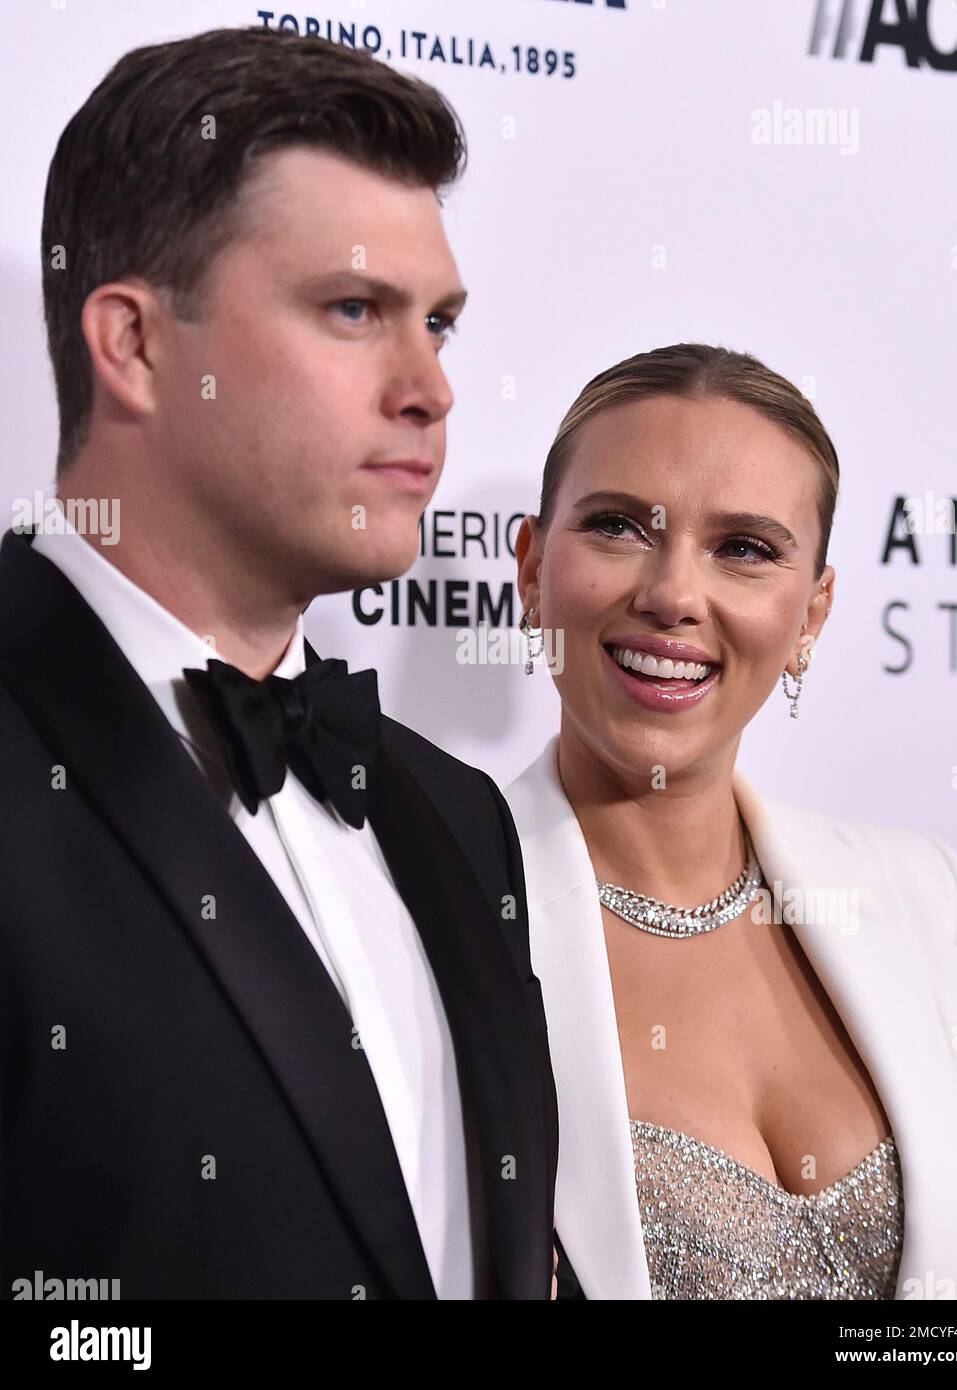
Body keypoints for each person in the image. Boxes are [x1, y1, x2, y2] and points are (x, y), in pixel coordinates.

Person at [0, 26, 558, 1300]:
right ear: (134, 345)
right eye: (354, 311)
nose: (430, 389)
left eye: (443, 325)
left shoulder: (459, 815)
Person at [504, 343, 957, 1300]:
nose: (672, 596)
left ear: (812, 614)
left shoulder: (920, 893)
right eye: (618, 526)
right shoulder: (439, 915)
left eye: (744, 548)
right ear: (532, 570)